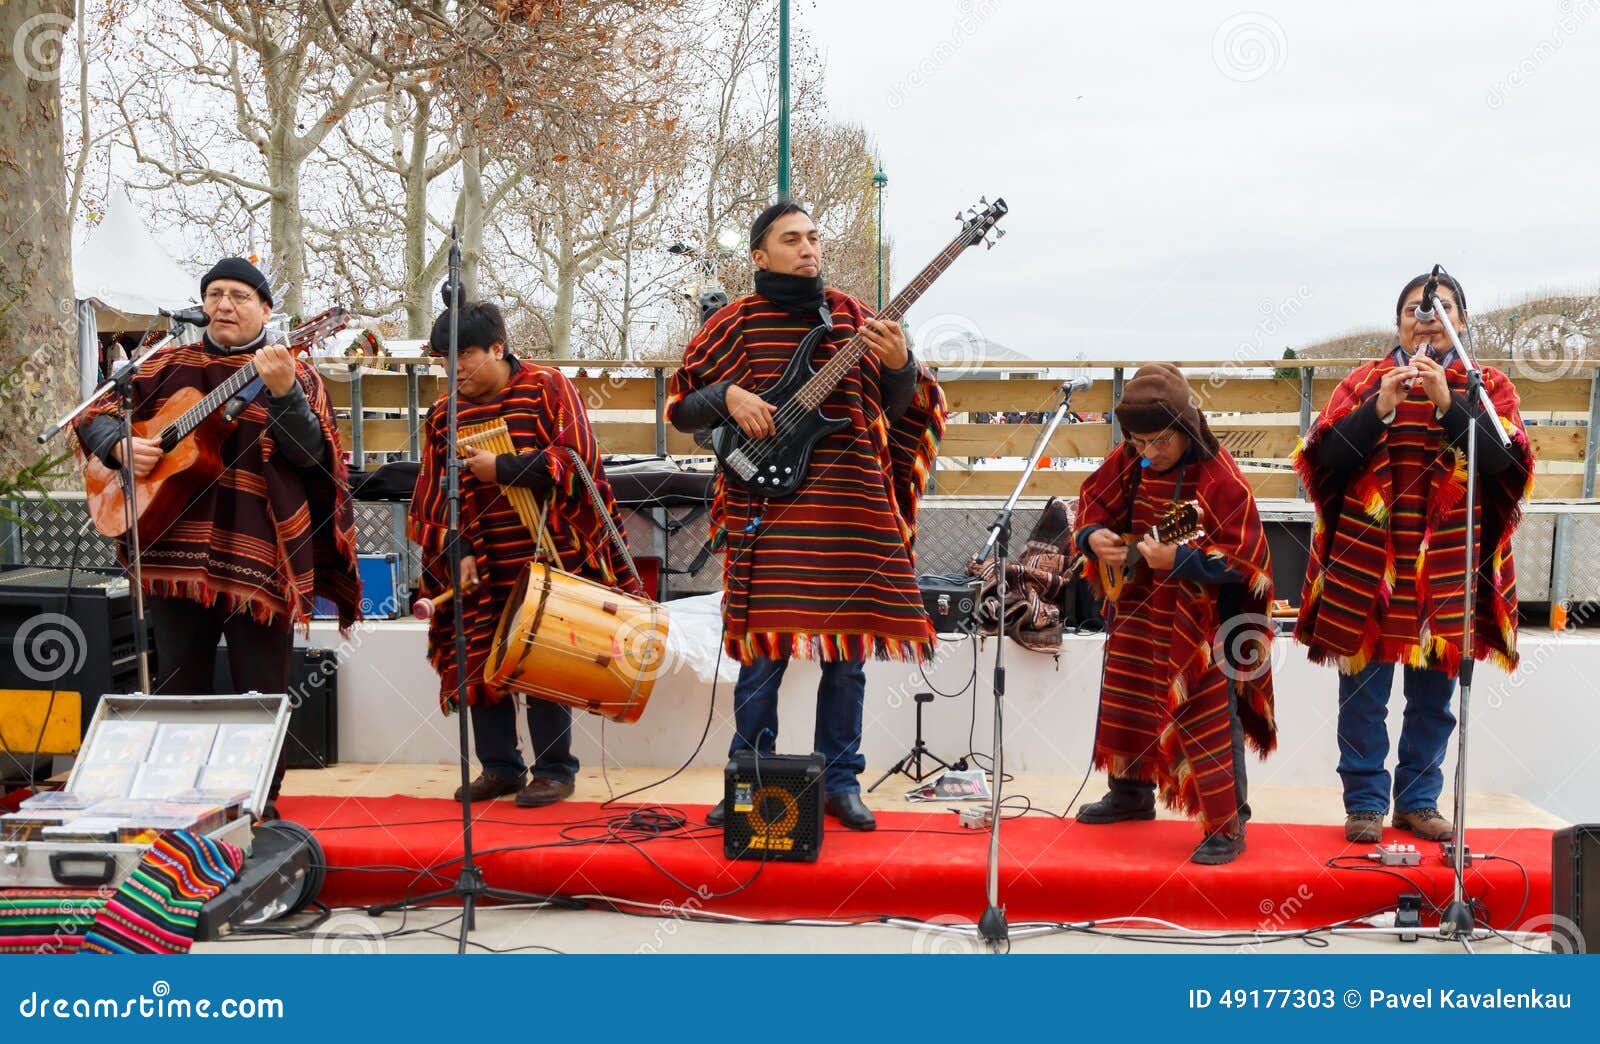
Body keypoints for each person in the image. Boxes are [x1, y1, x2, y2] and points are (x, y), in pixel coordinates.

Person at [666, 202, 946, 831]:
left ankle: (841, 780)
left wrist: (900, 365)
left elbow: (898, 414)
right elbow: (682, 407)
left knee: (846, 655)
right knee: (761, 653)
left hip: (850, 506)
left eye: (814, 237)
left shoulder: (854, 318)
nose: (808, 248)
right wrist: (728, 396)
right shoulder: (733, 324)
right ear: (761, 256)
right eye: (792, 239)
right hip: (767, 507)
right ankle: (750, 776)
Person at [75, 257, 361, 817]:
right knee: (180, 686)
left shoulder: (293, 373)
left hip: (259, 555)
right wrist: (117, 446)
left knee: (262, 691)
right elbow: (96, 410)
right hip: (172, 554)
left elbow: (312, 458)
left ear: (266, 310)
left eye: (239, 295)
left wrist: (284, 397)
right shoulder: (165, 361)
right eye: (214, 295)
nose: (224, 305)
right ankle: (183, 804)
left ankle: (259, 806)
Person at [1295, 273, 1533, 843]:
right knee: (1363, 697)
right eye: (1414, 309)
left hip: (1446, 568)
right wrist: (1378, 408)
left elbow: (1506, 465)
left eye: (1441, 307)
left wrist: (1449, 403)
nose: (1426, 316)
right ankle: (1366, 803)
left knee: (1433, 702)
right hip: (1368, 565)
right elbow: (1322, 458)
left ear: (1462, 319)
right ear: (1398, 321)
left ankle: (1419, 801)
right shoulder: (1363, 381)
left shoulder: (1487, 385)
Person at [407, 299, 641, 808]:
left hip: (550, 550)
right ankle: (500, 769)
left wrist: (503, 468)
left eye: (466, 354)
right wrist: (457, 548)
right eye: (445, 358)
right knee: (481, 658)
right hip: (481, 559)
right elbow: (434, 492)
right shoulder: (444, 415)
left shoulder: (547, 387)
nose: (455, 368)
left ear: (498, 347)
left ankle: (555, 770)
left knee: (543, 657)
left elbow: (578, 461)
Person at [1073, 363, 1276, 864]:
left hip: (1201, 623)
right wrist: (1092, 535)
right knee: (1130, 693)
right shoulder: (1131, 458)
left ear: (1187, 427)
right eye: (1140, 442)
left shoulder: (1221, 477)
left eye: (1160, 441)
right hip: (1139, 608)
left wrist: (1179, 559)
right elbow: (1093, 501)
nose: (1149, 452)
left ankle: (1228, 823)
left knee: (1207, 713)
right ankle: (1130, 792)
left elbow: (1249, 559)